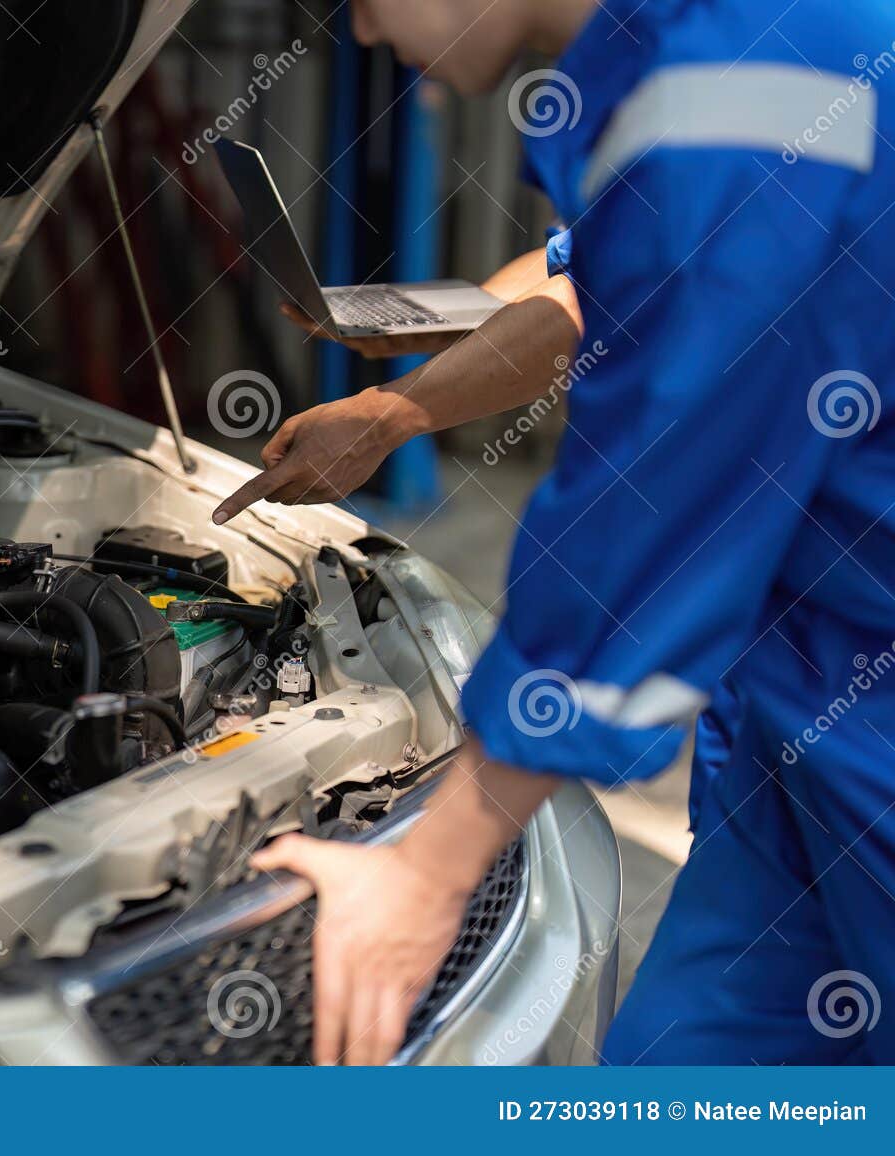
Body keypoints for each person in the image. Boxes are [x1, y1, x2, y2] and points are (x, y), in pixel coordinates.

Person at [213, 0, 895, 1065]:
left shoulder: (756, 84)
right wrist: (394, 409)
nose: (364, 32)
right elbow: (594, 284)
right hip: (798, 702)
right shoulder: (680, 52)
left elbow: (664, 496)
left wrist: (429, 869)